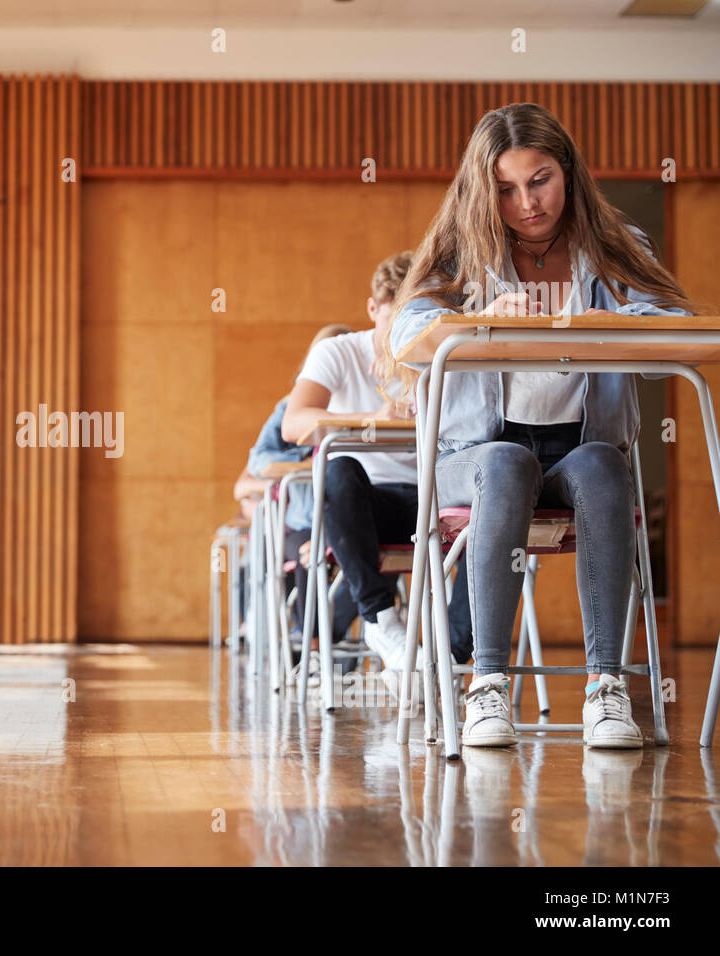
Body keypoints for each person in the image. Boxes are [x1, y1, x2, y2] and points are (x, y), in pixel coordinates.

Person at [386, 102, 696, 749]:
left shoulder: (614, 246)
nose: (527, 202)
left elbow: (668, 322)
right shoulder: (457, 253)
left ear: (569, 174)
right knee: (505, 462)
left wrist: (610, 326)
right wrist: (482, 321)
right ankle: (487, 687)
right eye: (506, 188)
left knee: (607, 465)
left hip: (579, 448)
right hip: (477, 454)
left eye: (541, 179)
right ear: (482, 189)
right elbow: (408, 337)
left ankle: (606, 689)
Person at [280, 255, 472, 696]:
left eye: (417, 318)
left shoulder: (442, 354)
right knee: (338, 468)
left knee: (491, 493)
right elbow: (294, 424)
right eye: (395, 319)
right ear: (373, 309)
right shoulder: (340, 352)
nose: (406, 334)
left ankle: (445, 660)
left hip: (436, 500)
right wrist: (375, 417)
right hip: (367, 507)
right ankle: (382, 620)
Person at [246, 325, 360, 655]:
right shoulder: (289, 409)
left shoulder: (363, 402)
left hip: (350, 515)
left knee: (369, 558)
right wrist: (307, 459)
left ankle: (325, 640)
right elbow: (258, 459)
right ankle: (311, 649)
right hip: (302, 523)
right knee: (310, 552)